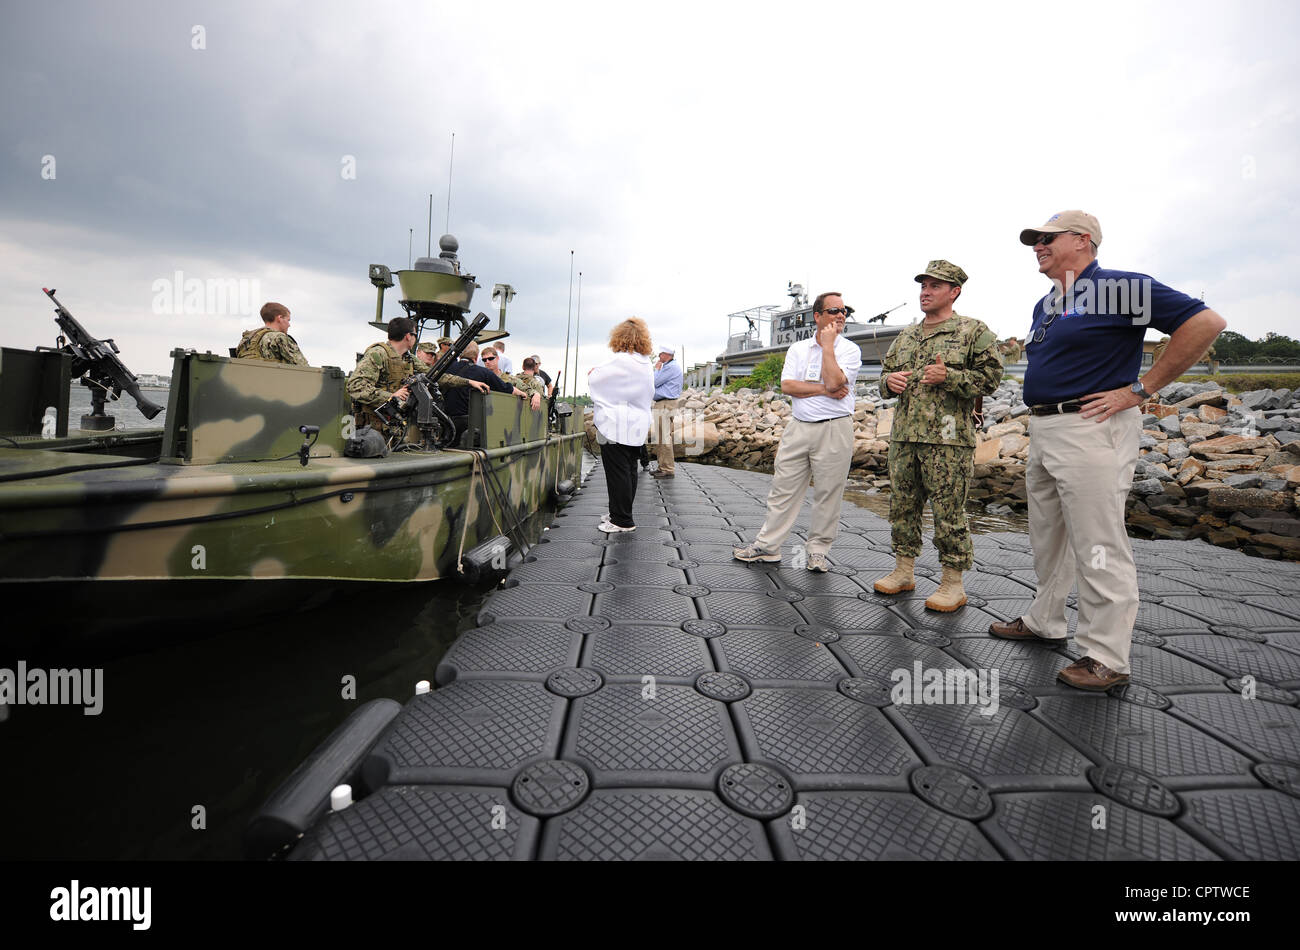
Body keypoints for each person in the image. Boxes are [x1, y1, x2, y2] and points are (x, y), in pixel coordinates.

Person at [988, 210, 1226, 691]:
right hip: (1047, 426)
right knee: (1048, 534)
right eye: (1035, 240)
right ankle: (1044, 620)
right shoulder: (1047, 304)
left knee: (1098, 541)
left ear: (1083, 241)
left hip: (1093, 426)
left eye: (1047, 238)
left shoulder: (1119, 287)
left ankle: (1106, 656)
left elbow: (1205, 322)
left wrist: (1141, 389)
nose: (1037, 245)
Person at [874, 261, 1003, 611]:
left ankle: (952, 582)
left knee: (949, 512)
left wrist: (951, 378)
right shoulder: (906, 336)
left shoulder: (974, 331)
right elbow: (884, 378)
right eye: (923, 286)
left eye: (934, 286)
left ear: (954, 291)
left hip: (948, 440)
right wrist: (889, 383)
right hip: (905, 437)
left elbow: (991, 380)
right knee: (902, 506)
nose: (925, 292)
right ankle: (903, 571)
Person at [733, 292, 861, 572]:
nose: (841, 315)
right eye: (834, 310)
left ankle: (817, 551)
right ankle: (768, 547)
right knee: (782, 490)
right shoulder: (798, 349)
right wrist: (824, 389)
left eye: (844, 311)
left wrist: (828, 348)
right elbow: (789, 386)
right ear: (817, 316)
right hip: (798, 427)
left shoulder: (850, 350)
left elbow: (838, 380)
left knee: (829, 493)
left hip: (834, 427)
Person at [587, 318, 655, 533]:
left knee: (617, 474)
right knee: (629, 471)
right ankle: (620, 512)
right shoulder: (646, 362)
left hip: (616, 426)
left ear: (619, 338)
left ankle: (622, 520)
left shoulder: (621, 361)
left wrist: (592, 373)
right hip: (636, 424)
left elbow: (595, 377)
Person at [441, 341, 527, 440]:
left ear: (460, 355)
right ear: (476, 357)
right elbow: (507, 389)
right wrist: (522, 393)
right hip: (470, 427)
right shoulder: (484, 373)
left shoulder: (445, 369)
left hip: (446, 424)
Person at [346, 317, 418, 430]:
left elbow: (437, 374)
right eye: (415, 335)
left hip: (394, 426)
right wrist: (392, 396)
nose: (415, 339)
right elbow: (356, 386)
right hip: (373, 429)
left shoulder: (407, 358)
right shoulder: (378, 354)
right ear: (408, 336)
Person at [234, 302, 308, 365]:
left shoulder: (247, 339)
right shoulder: (279, 337)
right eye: (288, 320)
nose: (289, 325)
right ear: (280, 318)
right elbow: (303, 368)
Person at [650, 344, 684, 479]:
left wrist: (657, 369)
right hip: (664, 403)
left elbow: (653, 381)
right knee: (661, 437)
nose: (659, 356)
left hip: (665, 403)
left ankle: (668, 469)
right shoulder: (670, 366)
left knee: (664, 437)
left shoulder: (670, 367)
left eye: (661, 354)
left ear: (668, 355)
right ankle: (662, 466)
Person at [414, 341, 490, 396]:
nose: (430, 356)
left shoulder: (437, 369)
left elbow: (446, 379)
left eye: (432, 354)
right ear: (418, 352)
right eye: (427, 353)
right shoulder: (412, 366)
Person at [482, 346, 542, 411]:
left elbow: (526, 389)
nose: (487, 362)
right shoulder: (481, 379)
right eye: (484, 360)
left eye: (490, 358)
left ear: (497, 358)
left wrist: (536, 394)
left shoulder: (509, 379)